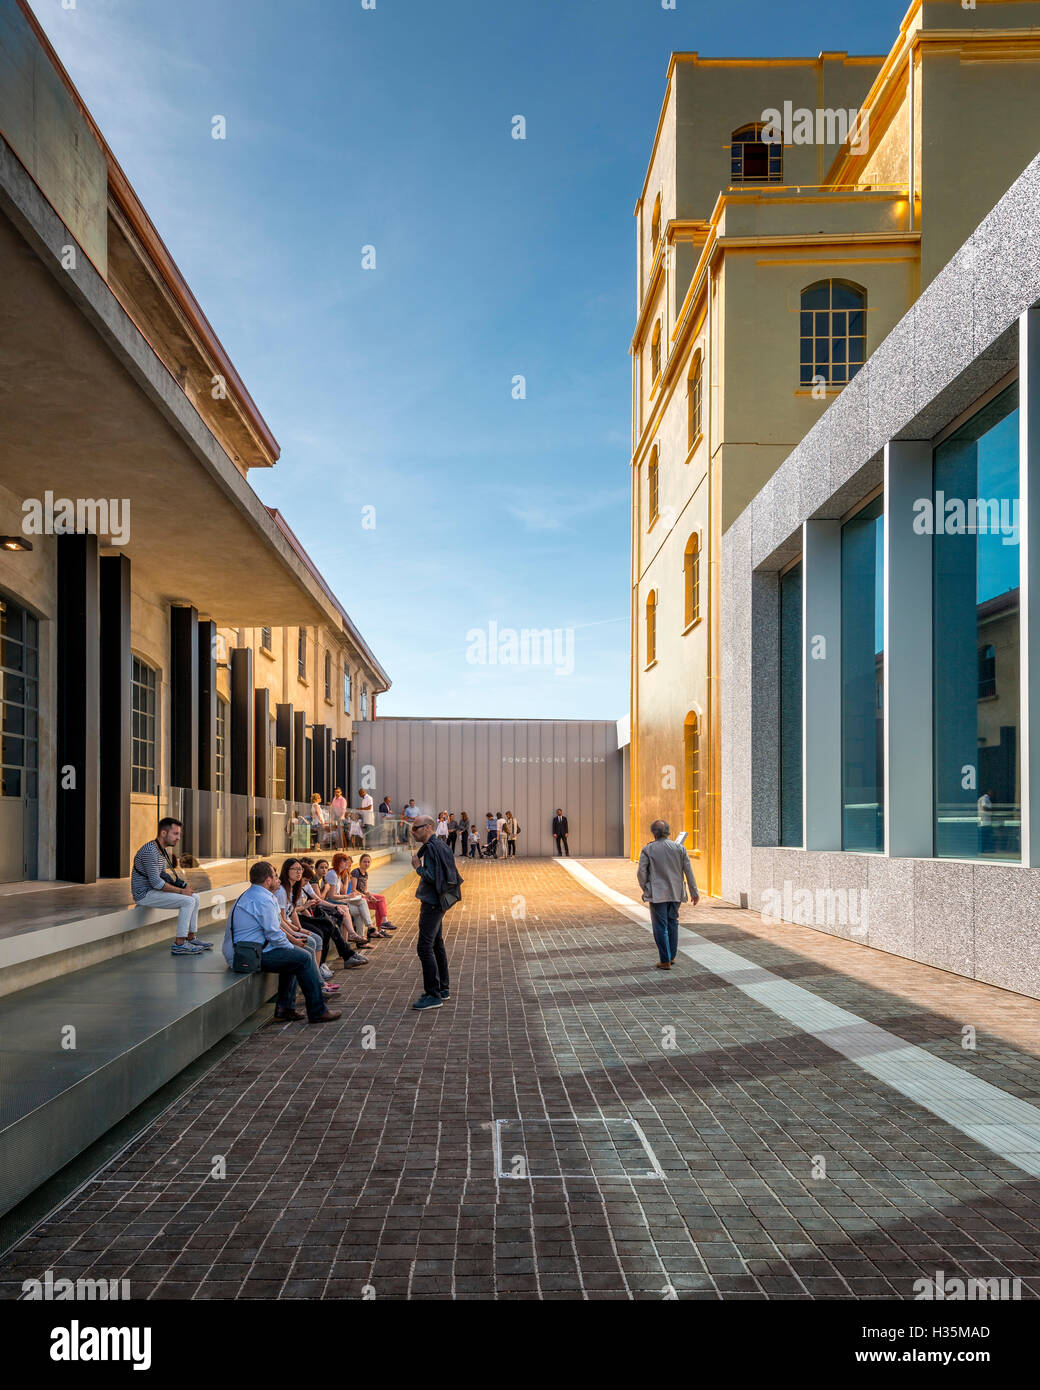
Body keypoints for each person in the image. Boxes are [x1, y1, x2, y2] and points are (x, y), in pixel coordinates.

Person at [221, 860, 341, 1023]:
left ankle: (285, 1008)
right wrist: (292, 946)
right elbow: (273, 933)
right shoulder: (262, 899)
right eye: (275, 875)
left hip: (249, 951)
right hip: (247, 956)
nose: (278, 878)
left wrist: (292, 945)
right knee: (303, 958)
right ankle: (318, 1011)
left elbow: (274, 930)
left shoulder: (253, 894)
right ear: (268, 880)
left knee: (294, 957)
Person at [132, 817, 207, 955]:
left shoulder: (161, 850)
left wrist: (184, 888)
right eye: (175, 833)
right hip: (144, 894)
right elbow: (157, 882)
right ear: (163, 833)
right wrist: (181, 891)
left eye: (179, 834)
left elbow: (163, 876)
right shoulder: (151, 851)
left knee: (195, 897)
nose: (178, 838)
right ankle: (180, 944)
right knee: (188, 900)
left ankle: (191, 938)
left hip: (153, 890)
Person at [410, 815, 460, 1010]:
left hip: (432, 903)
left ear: (428, 827)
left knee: (424, 947)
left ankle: (433, 994)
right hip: (439, 902)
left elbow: (433, 877)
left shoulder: (431, 849)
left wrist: (418, 868)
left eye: (416, 828)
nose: (413, 832)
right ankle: (442, 988)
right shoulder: (441, 845)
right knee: (436, 944)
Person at [636, 819, 699, 970]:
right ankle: (671, 956)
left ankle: (664, 960)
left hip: (657, 893)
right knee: (673, 923)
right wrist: (694, 892)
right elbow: (688, 872)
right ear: (668, 832)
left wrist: (645, 888)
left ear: (654, 833)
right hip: (676, 892)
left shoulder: (648, 849)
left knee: (660, 926)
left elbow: (641, 873)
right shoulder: (679, 848)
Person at [351, 853, 397, 932]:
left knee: (380, 900)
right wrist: (366, 896)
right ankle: (383, 924)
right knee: (380, 902)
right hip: (357, 898)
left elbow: (365, 890)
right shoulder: (355, 872)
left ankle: (381, 928)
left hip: (364, 896)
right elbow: (353, 889)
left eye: (368, 862)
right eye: (364, 862)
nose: (367, 864)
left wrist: (370, 895)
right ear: (360, 862)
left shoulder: (366, 874)